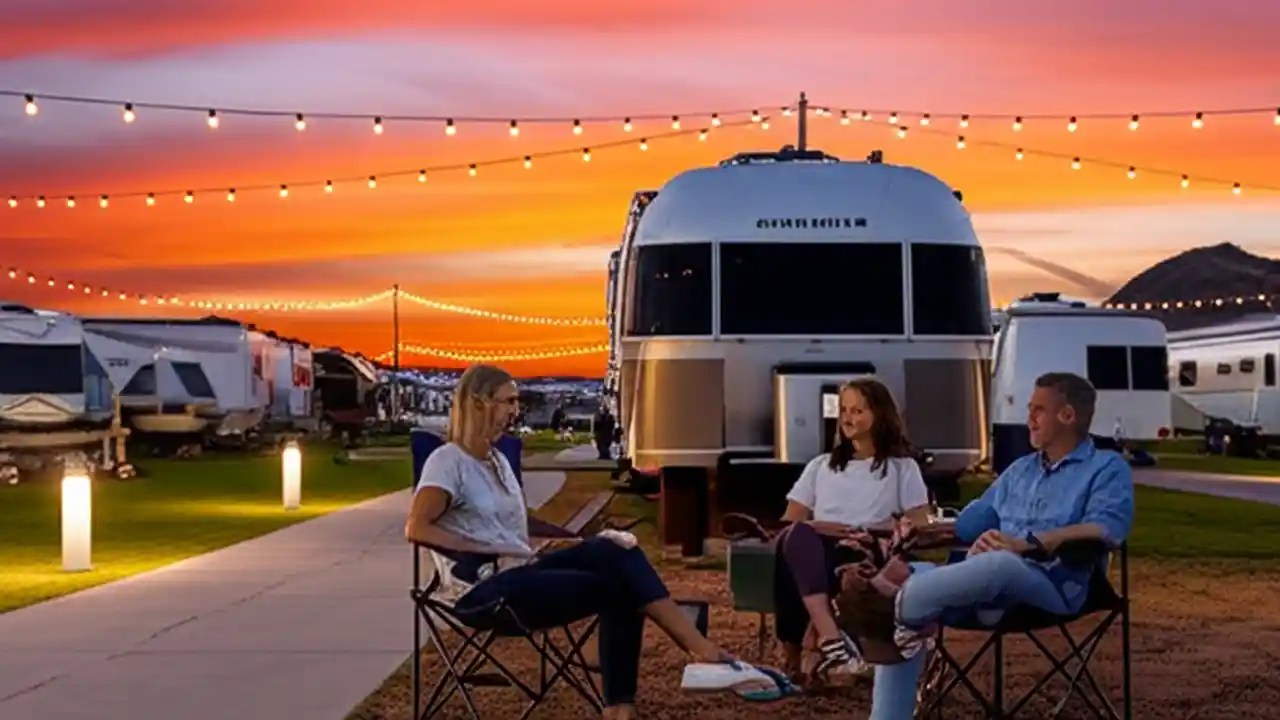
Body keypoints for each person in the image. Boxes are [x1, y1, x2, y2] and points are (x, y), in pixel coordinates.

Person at [405, 364, 737, 720]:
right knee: (620, 587)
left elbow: (512, 523)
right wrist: (482, 548)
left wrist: (576, 540)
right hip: (481, 588)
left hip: (520, 572)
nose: (516, 410)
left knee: (616, 549)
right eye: (508, 401)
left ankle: (689, 652)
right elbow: (417, 528)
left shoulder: (497, 460)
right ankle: (632, 697)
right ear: (477, 402)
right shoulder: (447, 461)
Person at [864, 372, 1135, 720]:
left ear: (1067, 415)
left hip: (1054, 583)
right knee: (913, 574)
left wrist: (1024, 545)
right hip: (981, 578)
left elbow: (1106, 528)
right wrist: (922, 527)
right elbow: (969, 523)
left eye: (1038, 410)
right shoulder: (1020, 470)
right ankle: (902, 615)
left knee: (996, 566)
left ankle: (892, 603)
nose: (1028, 418)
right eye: (1029, 408)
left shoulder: (1105, 468)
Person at [773, 378, 933, 682]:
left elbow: (920, 521)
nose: (847, 418)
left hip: (866, 546)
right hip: (817, 542)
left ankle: (817, 644)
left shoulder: (901, 468)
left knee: (809, 556)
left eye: (858, 411)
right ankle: (832, 641)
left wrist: (882, 529)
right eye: (844, 410)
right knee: (796, 539)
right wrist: (818, 526)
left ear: (880, 415)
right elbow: (790, 520)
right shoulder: (821, 466)